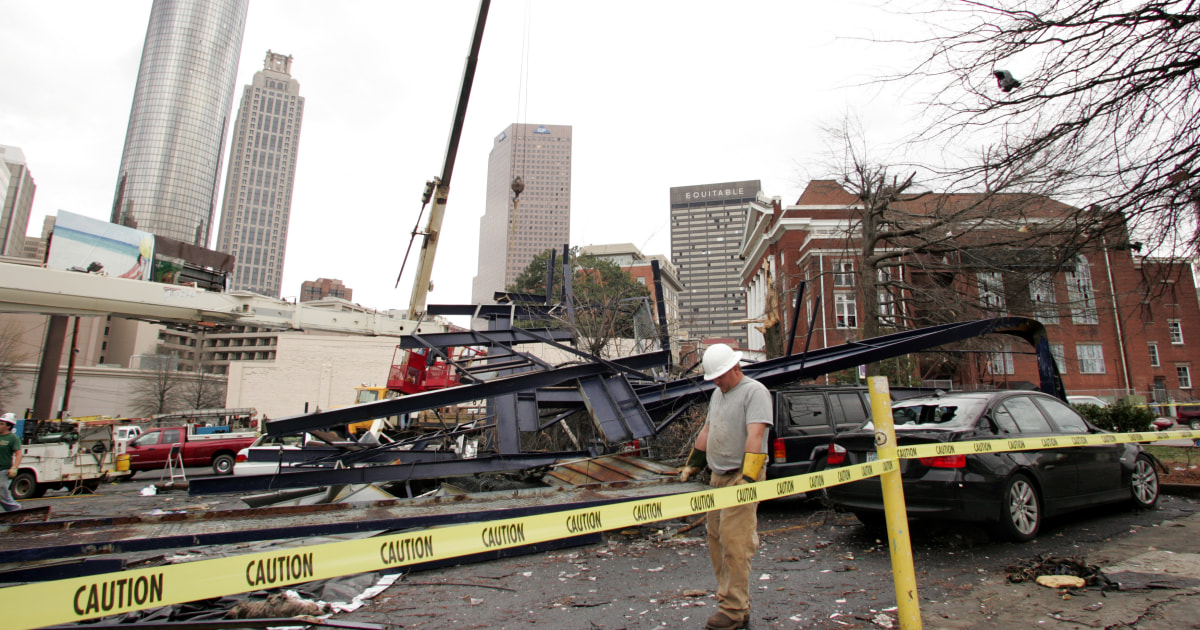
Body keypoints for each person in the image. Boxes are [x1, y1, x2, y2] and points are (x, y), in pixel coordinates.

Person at [679, 344, 772, 630]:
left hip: (740, 476)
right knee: (717, 541)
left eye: (719, 376)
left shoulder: (755, 392)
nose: (716, 381)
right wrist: (693, 462)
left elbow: (756, 435)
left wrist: (748, 478)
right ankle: (733, 602)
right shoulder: (718, 395)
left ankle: (733, 610)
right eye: (713, 377)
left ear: (735, 368)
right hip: (717, 476)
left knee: (736, 543)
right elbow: (708, 429)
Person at [0, 413, 24, 512]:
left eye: (1, 424)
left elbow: (18, 454)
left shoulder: (12, 438)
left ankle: (15, 510)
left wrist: (15, 467)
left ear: (9, 426)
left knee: (1, 490)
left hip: (3, 470)